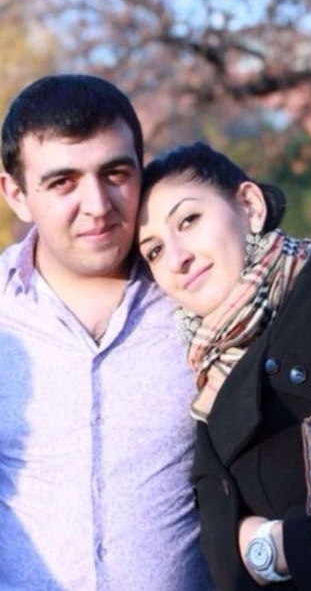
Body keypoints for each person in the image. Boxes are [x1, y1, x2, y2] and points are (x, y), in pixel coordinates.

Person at [138, 141, 311, 591]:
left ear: (249, 207)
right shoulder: (210, 373)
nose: (177, 257)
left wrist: (281, 550)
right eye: (154, 251)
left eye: (189, 220)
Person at [0, 76, 214, 590]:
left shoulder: (205, 294)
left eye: (115, 173)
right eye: (63, 182)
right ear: (17, 195)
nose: (97, 204)